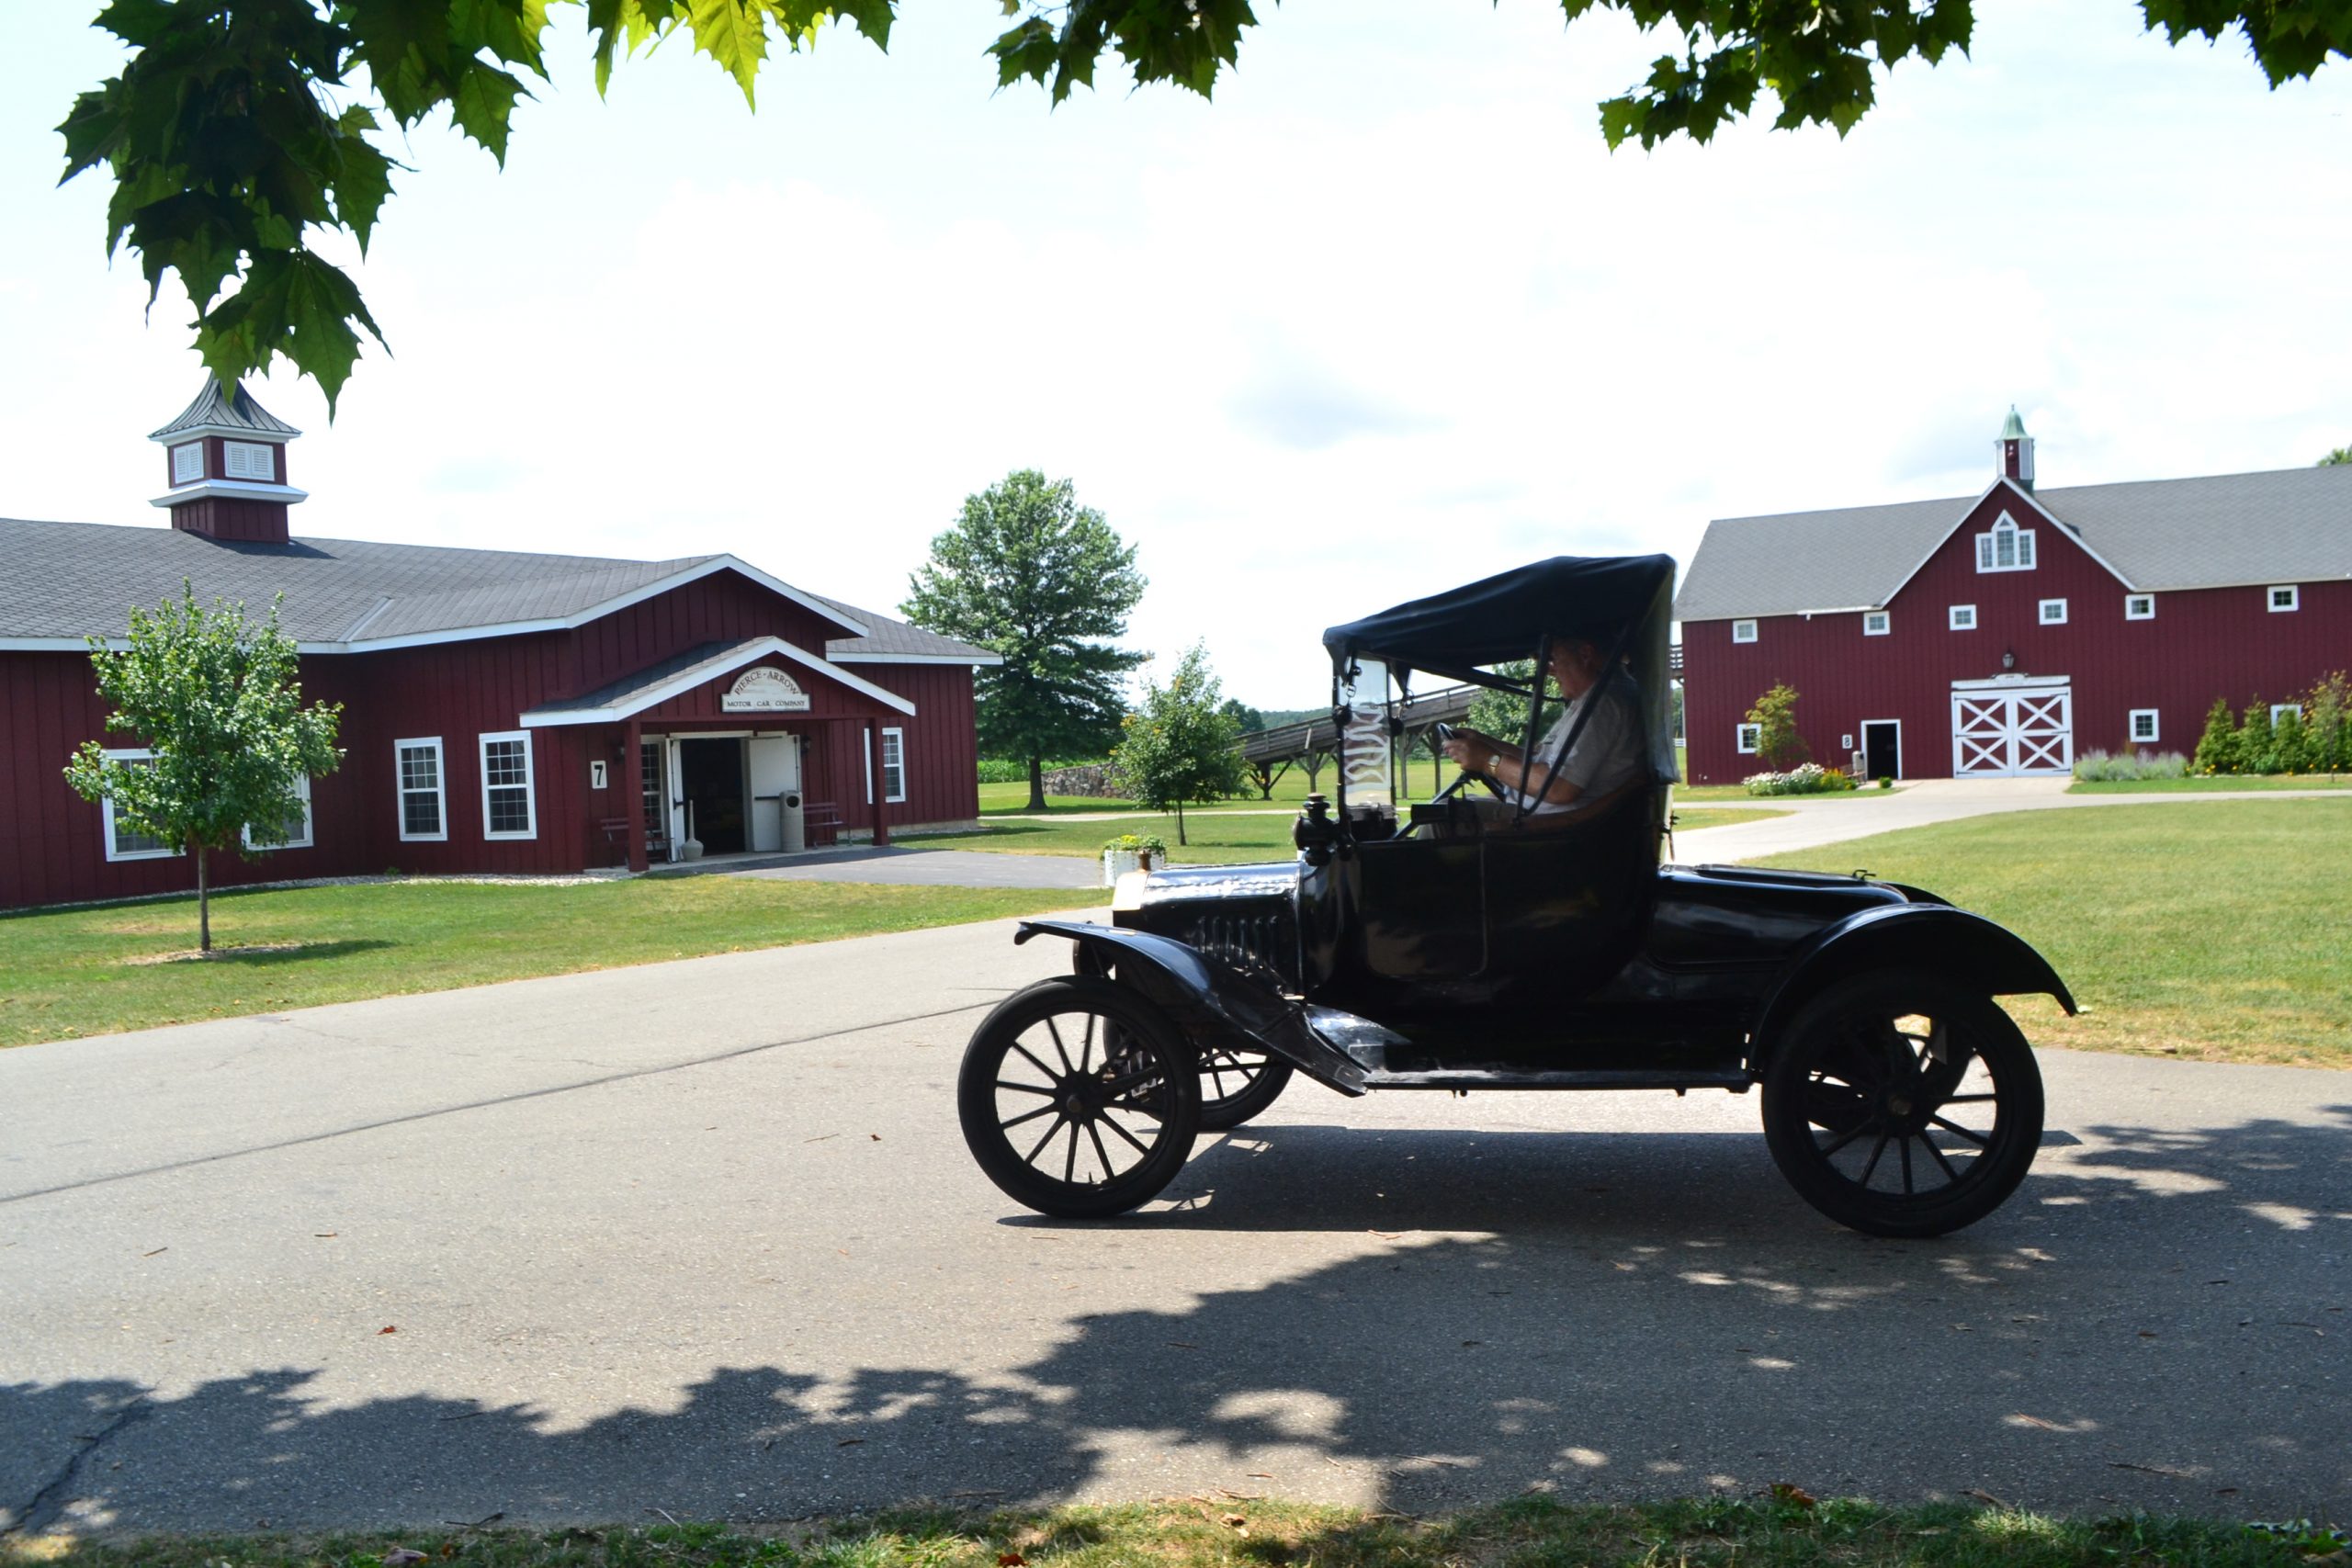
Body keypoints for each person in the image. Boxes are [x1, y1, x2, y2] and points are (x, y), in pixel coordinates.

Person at [1442, 634, 1644, 818]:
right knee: (1445, 808)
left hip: (1545, 827)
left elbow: (1558, 788)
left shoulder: (1604, 703)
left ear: (1585, 655)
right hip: (1533, 814)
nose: (1548, 671)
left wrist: (1489, 761)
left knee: (1437, 820)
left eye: (1552, 659)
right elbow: (1539, 761)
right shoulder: (1596, 698)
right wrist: (1481, 742)